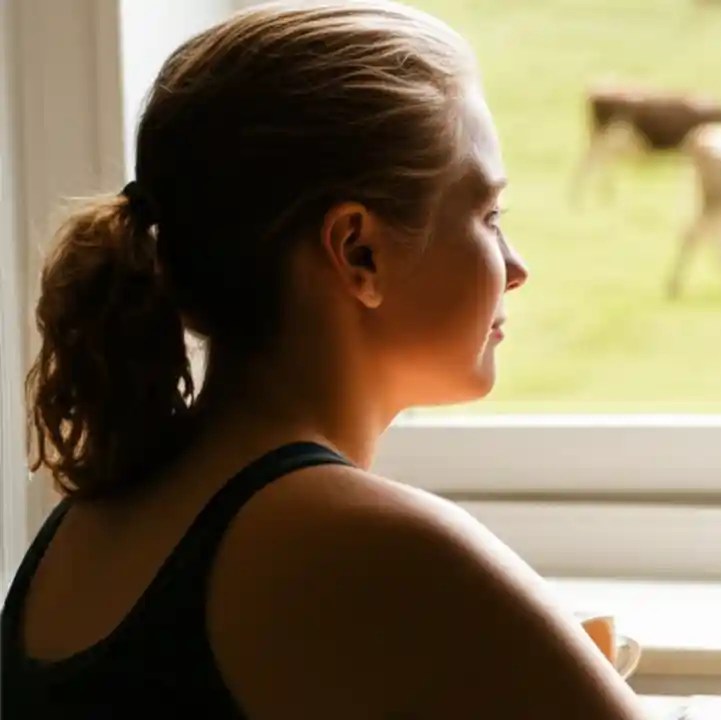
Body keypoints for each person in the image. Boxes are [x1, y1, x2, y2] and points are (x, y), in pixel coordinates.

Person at [0, 2, 649, 717]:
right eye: (488, 217)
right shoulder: (370, 545)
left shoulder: (90, 521)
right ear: (358, 252)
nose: (515, 266)